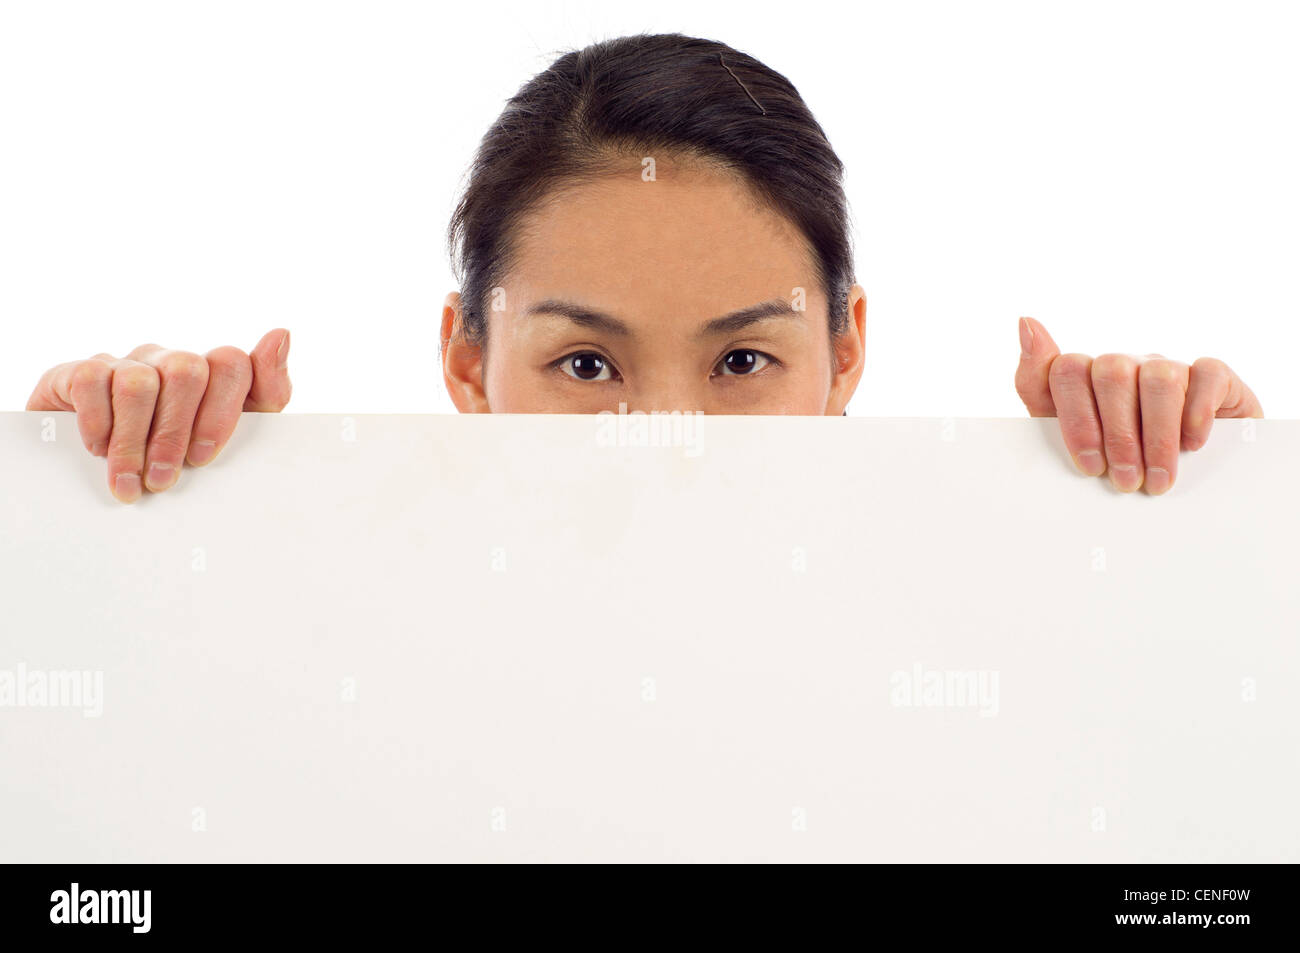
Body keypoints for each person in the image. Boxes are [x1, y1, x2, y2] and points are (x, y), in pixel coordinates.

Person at [24, 33, 1263, 504]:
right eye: (583, 361)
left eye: (739, 358)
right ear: (466, 359)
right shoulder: (316, 635)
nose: (663, 435)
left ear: (844, 354)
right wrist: (76, 511)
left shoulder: (977, 644)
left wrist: (1216, 517)